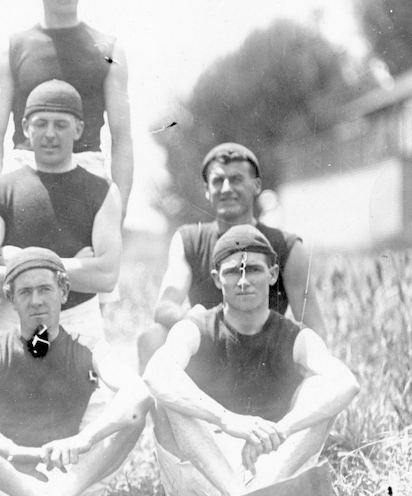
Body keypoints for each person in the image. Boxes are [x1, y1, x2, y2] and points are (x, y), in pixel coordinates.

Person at [142, 225, 359, 496]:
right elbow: (154, 373)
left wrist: (282, 430)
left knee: (320, 385)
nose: (243, 281)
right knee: (169, 393)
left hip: (271, 466)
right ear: (217, 279)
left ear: (273, 274)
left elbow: (346, 382)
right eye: (233, 272)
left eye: (254, 270)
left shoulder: (295, 336)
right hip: (206, 468)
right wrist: (227, 420)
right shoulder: (197, 327)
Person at [0, 247, 151, 496]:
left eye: (45, 289)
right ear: (11, 300)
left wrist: (85, 439)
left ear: (63, 292)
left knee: (135, 416)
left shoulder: (89, 348)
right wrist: (10, 450)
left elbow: (139, 393)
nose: (36, 300)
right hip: (6, 481)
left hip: (68, 480)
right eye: (24, 292)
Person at [137, 142, 327, 373]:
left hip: (266, 356)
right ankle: (164, 409)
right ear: (207, 190)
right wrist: (196, 322)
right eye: (218, 181)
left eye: (236, 179)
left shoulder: (286, 245)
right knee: (152, 338)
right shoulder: (190, 239)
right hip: (209, 351)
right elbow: (164, 307)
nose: (226, 188)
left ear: (256, 186)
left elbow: (315, 328)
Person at [0, 0, 132, 220]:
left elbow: (122, 137)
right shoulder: (13, 48)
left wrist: (119, 206)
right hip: (26, 172)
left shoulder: (108, 49)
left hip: (87, 172)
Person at [0, 79, 121, 349]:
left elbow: (106, 277)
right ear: (25, 128)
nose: (50, 134)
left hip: (80, 323)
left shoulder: (102, 192)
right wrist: (72, 267)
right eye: (41, 123)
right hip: (15, 321)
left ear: (78, 129)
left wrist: (18, 262)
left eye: (61, 125)